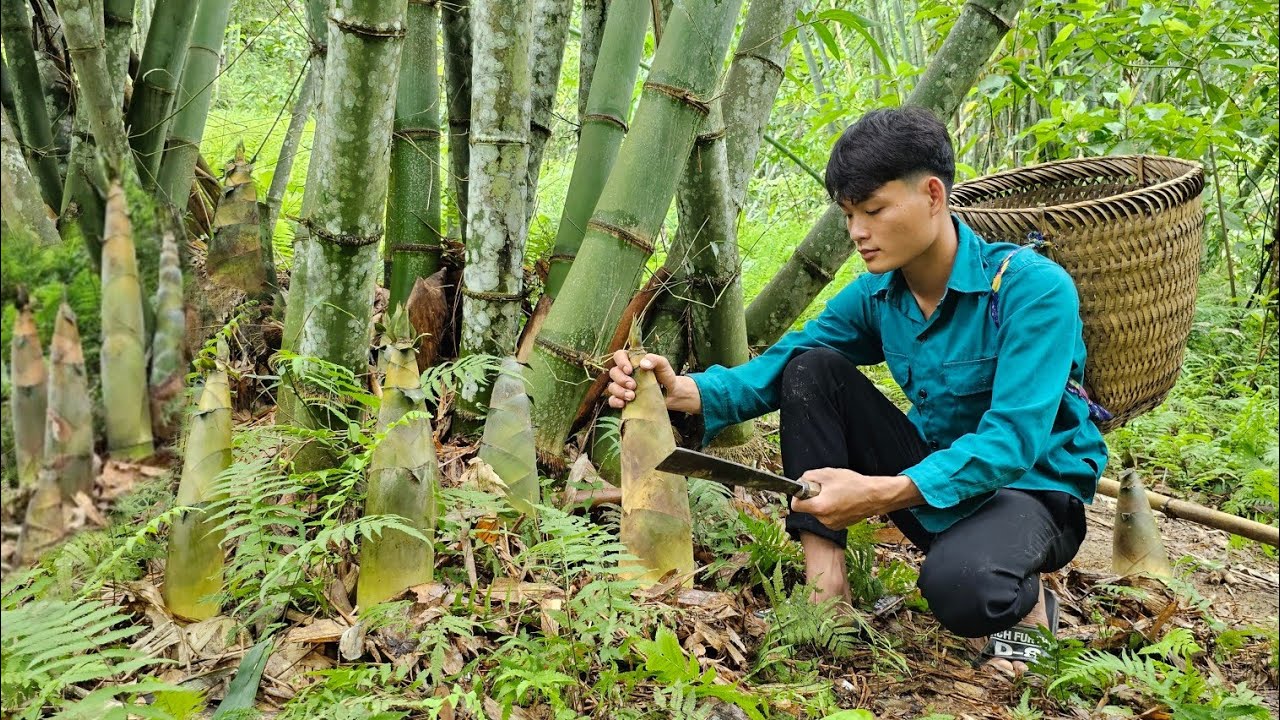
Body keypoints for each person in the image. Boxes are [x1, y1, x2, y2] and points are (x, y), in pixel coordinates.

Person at [604, 106, 1108, 677]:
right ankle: (827, 593)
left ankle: (1028, 606)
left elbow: (1013, 442)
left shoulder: (1030, 289)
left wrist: (877, 494)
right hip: (935, 483)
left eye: (873, 210)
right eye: (848, 215)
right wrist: (686, 391)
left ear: (933, 195)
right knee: (811, 367)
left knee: (962, 590)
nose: (857, 233)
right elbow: (786, 361)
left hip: (1032, 492)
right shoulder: (879, 296)